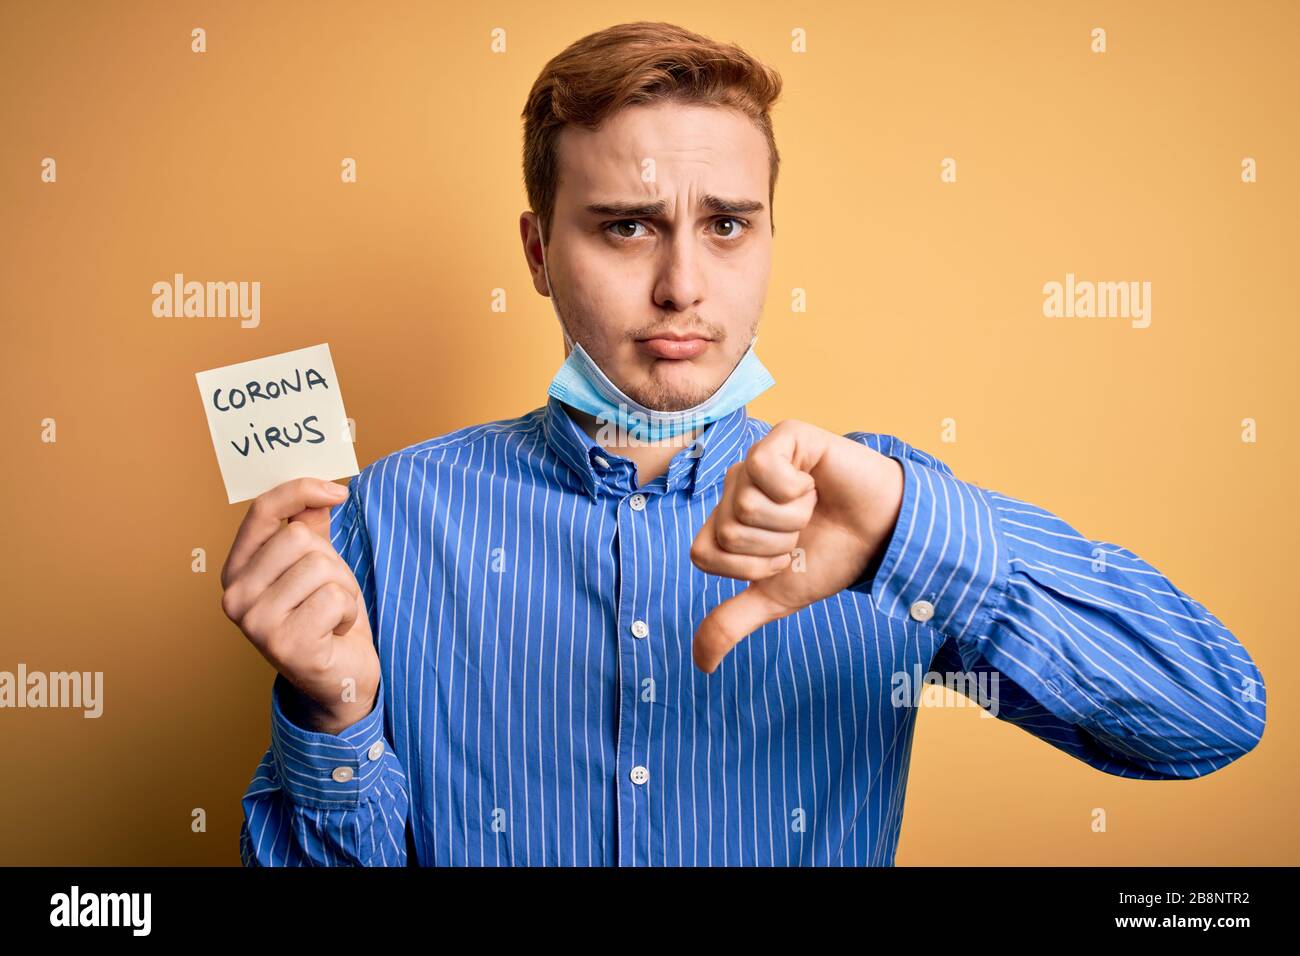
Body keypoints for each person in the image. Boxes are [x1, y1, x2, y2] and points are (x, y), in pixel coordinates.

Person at [224, 21, 1266, 867]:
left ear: (770, 239)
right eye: (627, 225)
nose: (682, 285)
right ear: (539, 252)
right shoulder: (386, 517)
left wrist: (913, 532)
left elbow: (1209, 715)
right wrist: (338, 714)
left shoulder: (878, 515)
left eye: (726, 224)